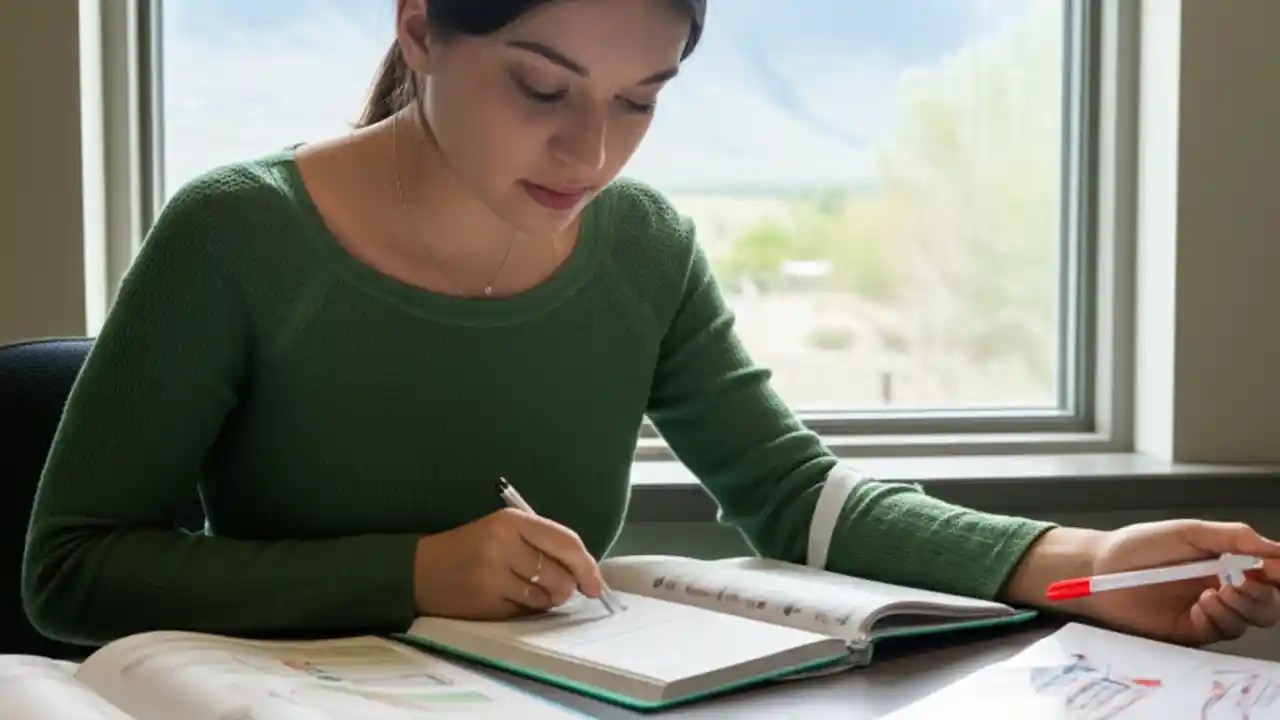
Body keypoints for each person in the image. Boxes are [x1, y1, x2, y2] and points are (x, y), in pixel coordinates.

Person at [22, 0, 1280, 652]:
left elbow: (794, 496)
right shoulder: (236, 236)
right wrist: (408, 572)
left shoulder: (641, 249)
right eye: (539, 86)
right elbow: (70, 572)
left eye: (640, 99)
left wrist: (1077, 563)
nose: (592, 150)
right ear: (418, 27)